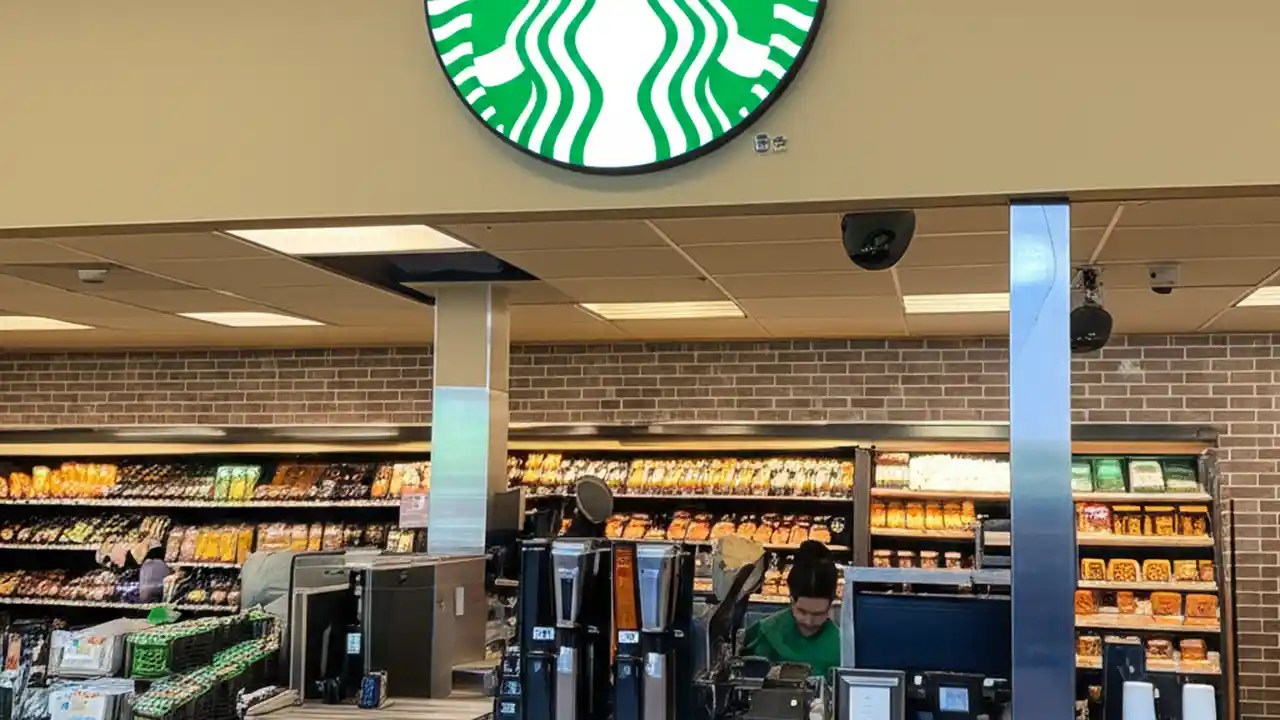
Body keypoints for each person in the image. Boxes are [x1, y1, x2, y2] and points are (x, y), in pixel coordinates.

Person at [742, 540, 841, 677]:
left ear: (831, 605)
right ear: (792, 600)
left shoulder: (842, 648)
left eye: (818, 614)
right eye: (802, 611)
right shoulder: (765, 634)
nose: (809, 622)